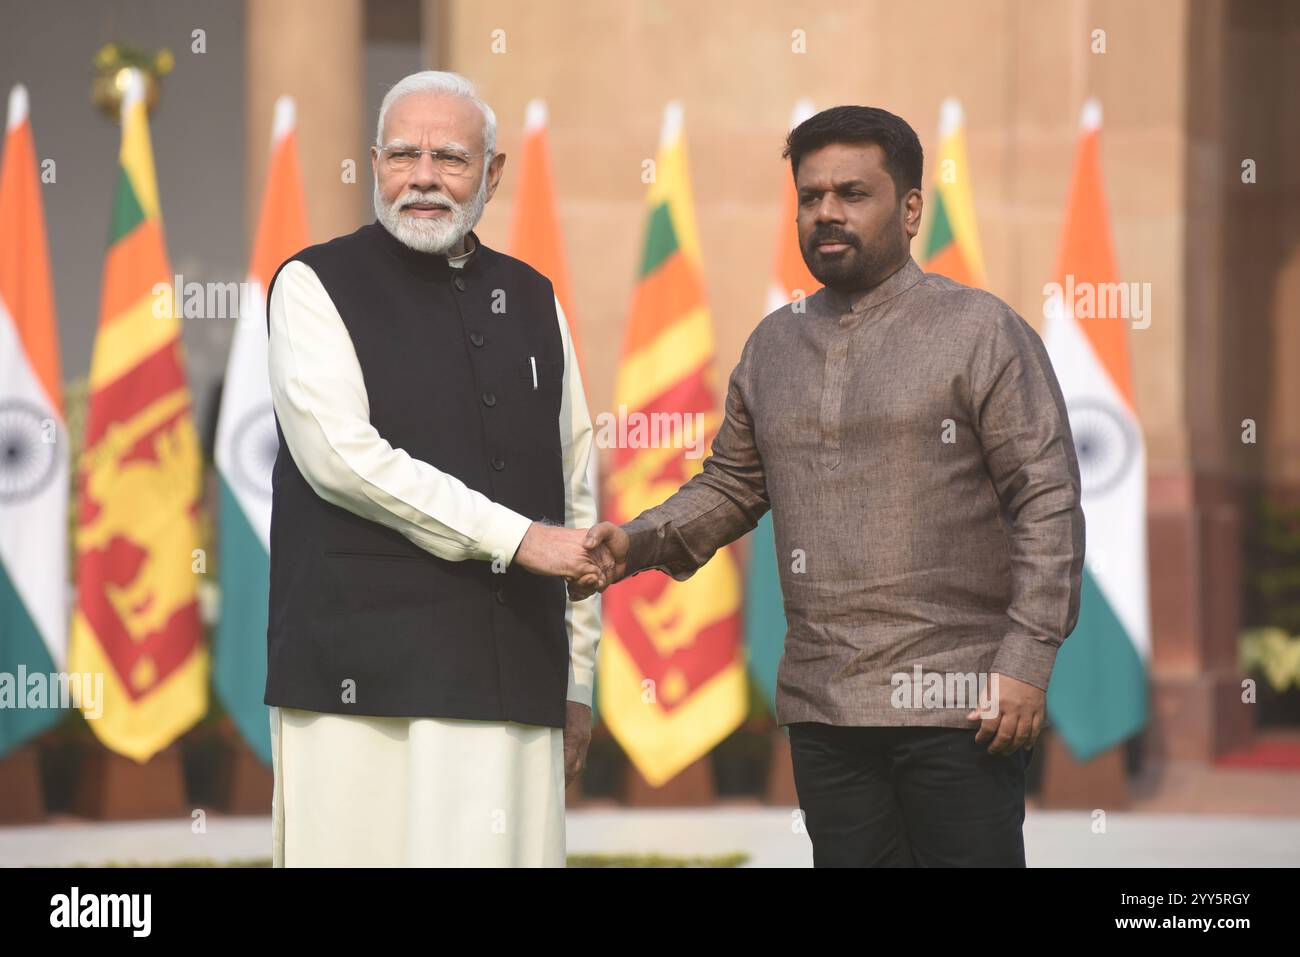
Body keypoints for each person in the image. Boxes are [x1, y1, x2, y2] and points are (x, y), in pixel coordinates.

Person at [575, 105, 1086, 867]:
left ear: (911, 208)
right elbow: (731, 486)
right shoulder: (775, 345)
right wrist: (636, 540)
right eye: (810, 197)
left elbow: (1047, 500)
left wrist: (1025, 660)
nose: (827, 214)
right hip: (827, 708)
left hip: (959, 703)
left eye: (853, 192)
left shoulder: (980, 331)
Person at [264, 70, 610, 866]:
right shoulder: (313, 285)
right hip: (356, 690)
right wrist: (518, 538)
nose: (423, 176)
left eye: (450, 158)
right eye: (403, 154)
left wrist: (579, 681)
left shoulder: (534, 297)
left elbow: (574, 486)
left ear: (491, 174)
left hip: (514, 684)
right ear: (374, 163)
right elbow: (343, 460)